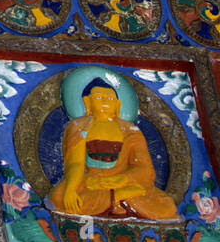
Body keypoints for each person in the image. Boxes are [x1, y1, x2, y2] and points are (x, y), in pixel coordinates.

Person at [48, 78, 177, 220]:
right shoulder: (80, 126)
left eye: (110, 98)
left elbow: (145, 169)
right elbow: (75, 163)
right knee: (58, 197)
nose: (105, 101)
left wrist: (123, 179)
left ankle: (114, 200)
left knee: (167, 206)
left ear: (118, 104)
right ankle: (118, 199)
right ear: (87, 102)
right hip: (91, 182)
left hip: (123, 182)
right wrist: (71, 189)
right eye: (99, 97)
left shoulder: (130, 130)